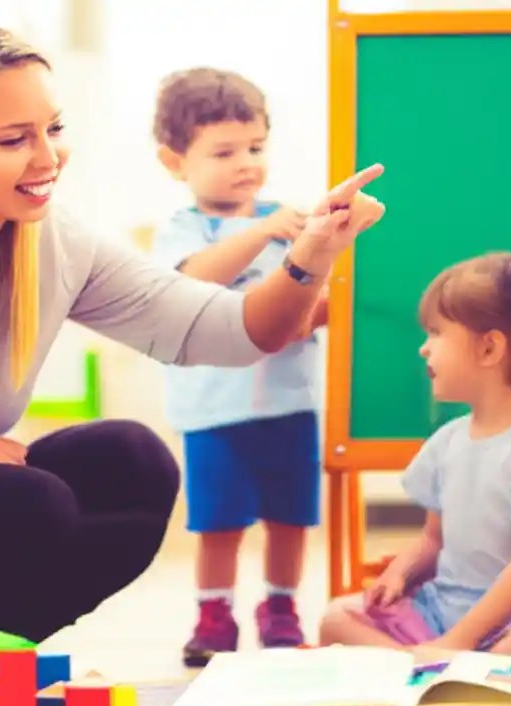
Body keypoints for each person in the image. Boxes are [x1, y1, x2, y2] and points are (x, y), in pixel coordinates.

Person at [0, 23, 382, 642]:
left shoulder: (59, 244)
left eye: (54, 130)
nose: (47, 158)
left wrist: (311, 255)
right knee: (30, 501)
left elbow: (235, 331)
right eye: (13, 140)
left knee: (132, 461)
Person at [320, 253, 511, 661]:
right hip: (446, 611)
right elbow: (433, 539)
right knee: (337, 618)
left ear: (489, 348)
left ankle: (434, 665)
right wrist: (400, 573)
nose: (423, 349)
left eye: (436, 333)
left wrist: (457, 643)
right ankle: (439, 669)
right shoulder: (447, 441)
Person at [148, 67, 327, 665]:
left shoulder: (290, 223)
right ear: (176, 163)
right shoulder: (182, 230)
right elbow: (193, 280)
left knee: (289, 518)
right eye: (223, 152)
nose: (245, 163)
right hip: (212, 413)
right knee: (219, 524)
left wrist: (315, 306)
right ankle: (213, 613)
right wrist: (259, 232)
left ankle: (280, 608)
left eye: (255, 147)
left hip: (289, 403)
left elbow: (317, 295)